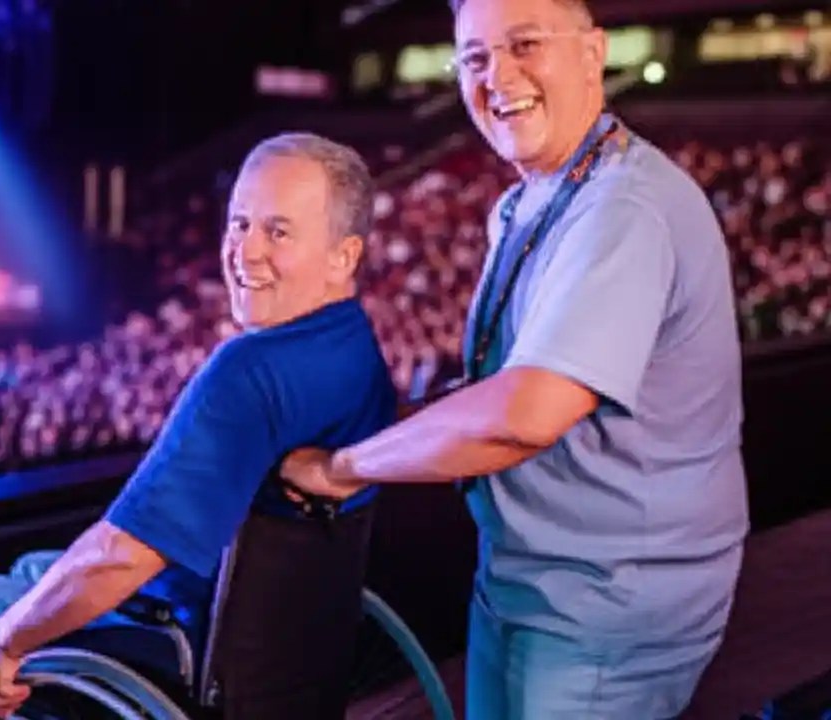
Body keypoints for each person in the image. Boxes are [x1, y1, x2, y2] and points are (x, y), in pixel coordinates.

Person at [280, 0, 749, 717]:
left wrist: (339, 469)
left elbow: (524, 415)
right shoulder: (534, 199)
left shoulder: (622, 208)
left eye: (524, 43)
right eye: (473, 59)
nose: (496, 76)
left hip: (605, 603)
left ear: (594, 54)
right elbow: (498, 386)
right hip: (532, 579)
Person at [0, 132, 398, 720]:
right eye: (239, 224)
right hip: (296, 651)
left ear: (344, 255)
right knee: (32, 572)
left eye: (278, 231)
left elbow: (121, 555)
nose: (245, 251)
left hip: (200, 655)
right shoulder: (358, 350)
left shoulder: (249, 373)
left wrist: (7, 641)